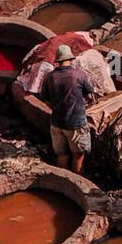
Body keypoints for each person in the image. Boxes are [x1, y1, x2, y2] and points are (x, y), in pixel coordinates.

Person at [40, 44, 94, 175]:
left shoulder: (50, 77)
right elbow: (90, 96)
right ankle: (77, 183)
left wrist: (58, 108)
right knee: (78, 155)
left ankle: (63, 179)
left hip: (56, 123)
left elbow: (46, 100)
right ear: (70, 59)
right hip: (76, 124)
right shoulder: (79, 75)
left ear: (58, 61)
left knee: (62, 155)